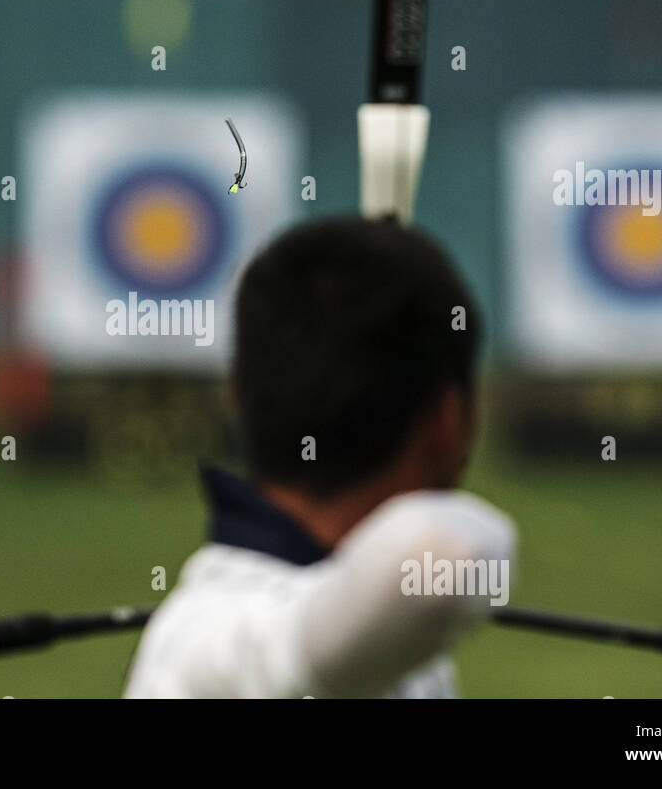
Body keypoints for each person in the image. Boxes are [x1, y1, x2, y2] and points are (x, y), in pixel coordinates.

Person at [124, 215, 516, 698]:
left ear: (236, 398)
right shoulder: (217, 650)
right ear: (448, 423)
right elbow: (447, 559)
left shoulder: (397, 647)